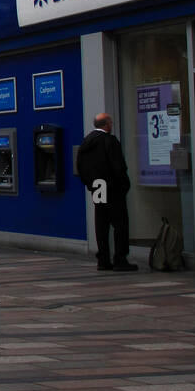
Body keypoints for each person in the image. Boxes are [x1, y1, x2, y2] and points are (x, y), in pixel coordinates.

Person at [76, 112, 136, 271]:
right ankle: (120, 259)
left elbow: (80, 166)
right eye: (111, 122)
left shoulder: (87, 141)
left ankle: (103, 259)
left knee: (101, 223)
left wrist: (90, 184)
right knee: (120, 223)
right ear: (107, 124)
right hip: (113, 187)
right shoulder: (109, 141)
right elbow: (119, 167)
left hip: (97, 186)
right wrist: (124, 185)